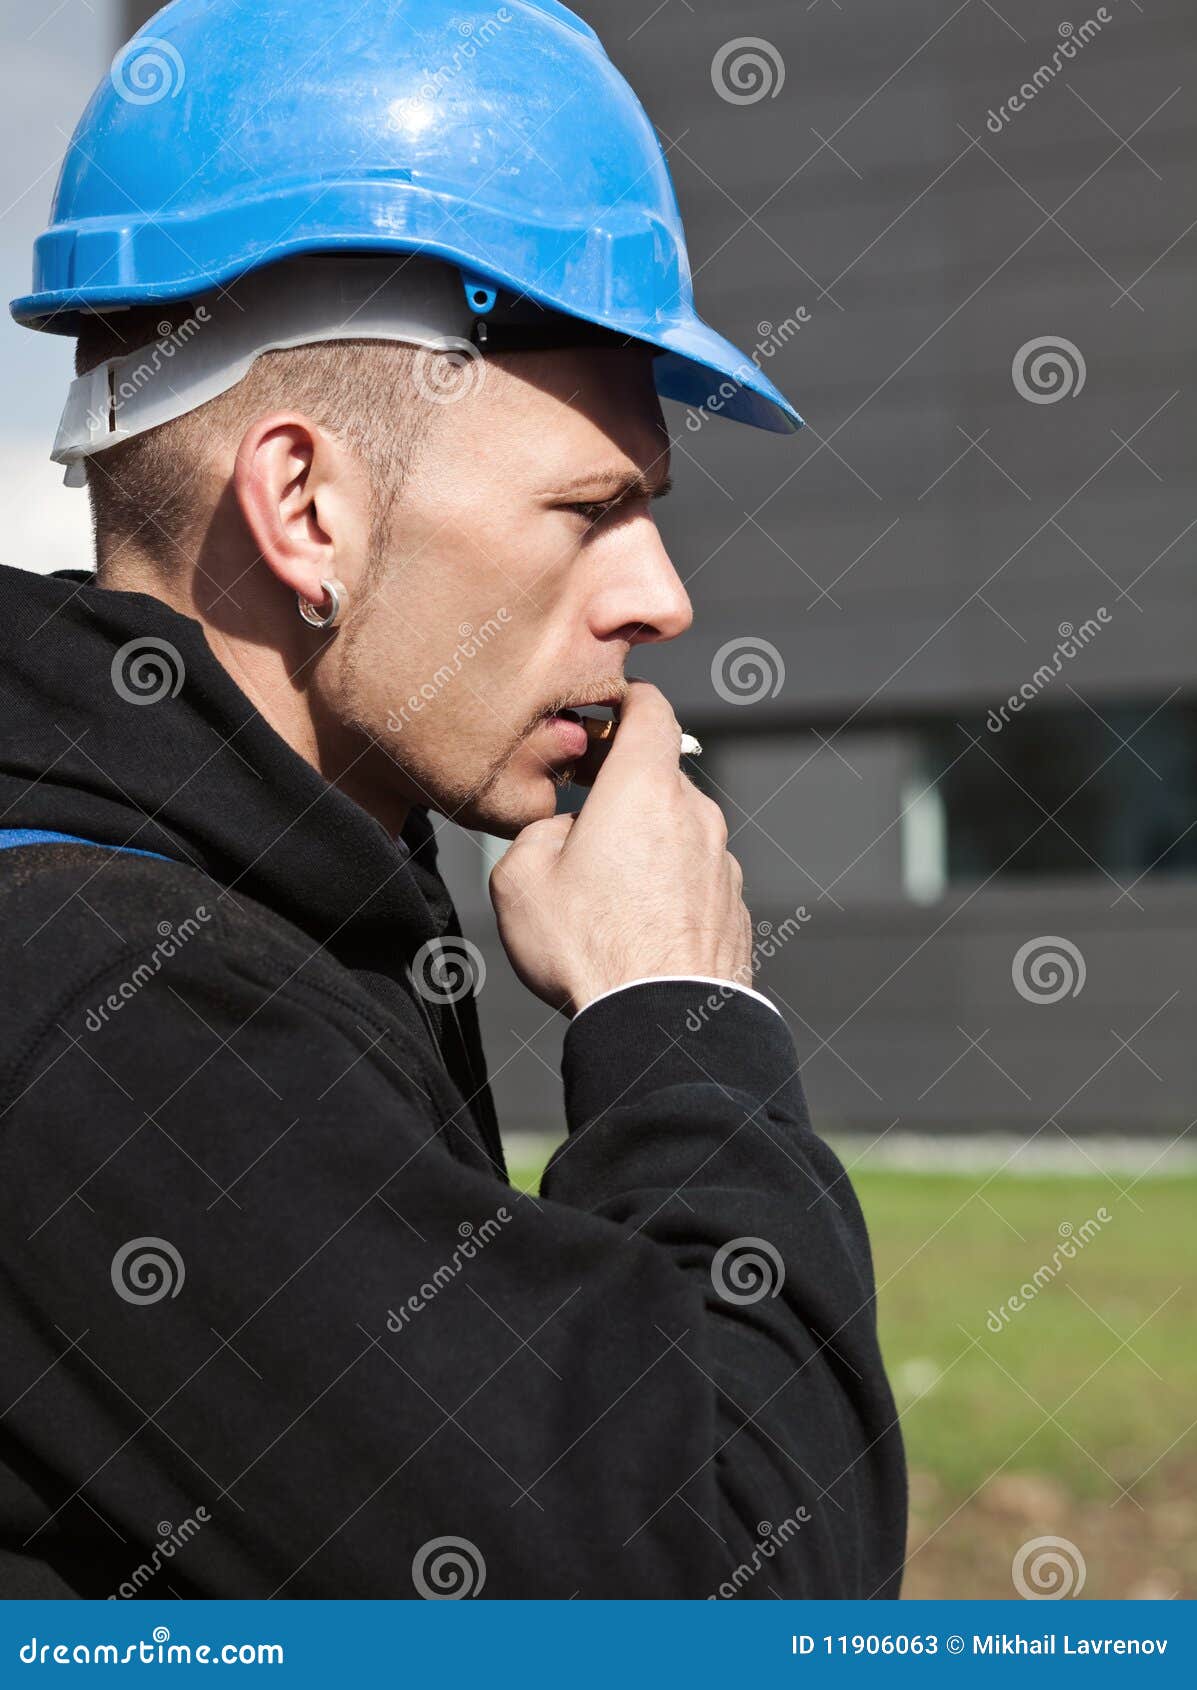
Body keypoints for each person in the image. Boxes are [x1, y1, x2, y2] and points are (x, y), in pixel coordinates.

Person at [0, 0, 906, 1598]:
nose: (661, 599)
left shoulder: (240, 900)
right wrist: (677, 1016)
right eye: (589, 508)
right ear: (303, 505)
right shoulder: (116, 1015)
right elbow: (735, 1604)